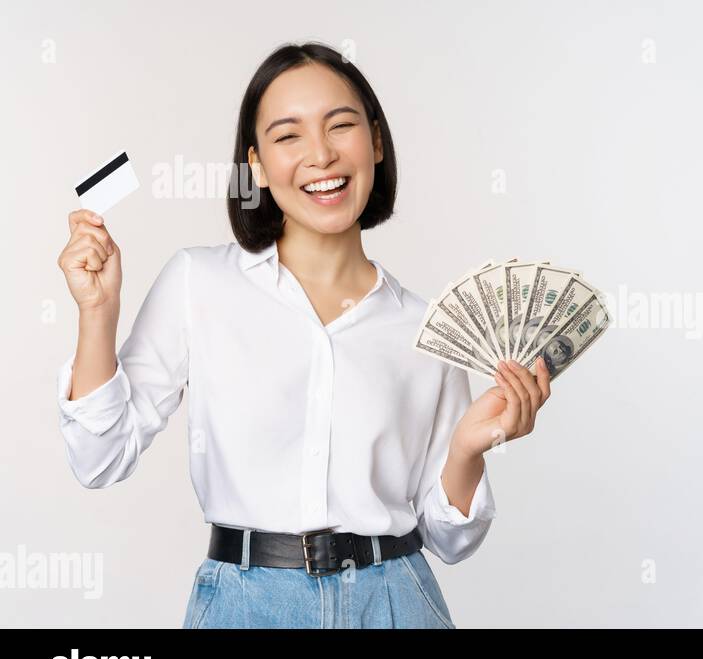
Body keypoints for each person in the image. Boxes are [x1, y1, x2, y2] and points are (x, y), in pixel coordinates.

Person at [54, 42, 552, 628]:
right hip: (245, 606)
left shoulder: (426, 328)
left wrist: (468, 446)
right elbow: (99, 458)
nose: (321, 154)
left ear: (376, 142)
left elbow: (450, 541)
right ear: (257, 166)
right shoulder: (198, 282)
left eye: (341, 126)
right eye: (288, 136)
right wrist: (98, 313)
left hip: (394, 602)